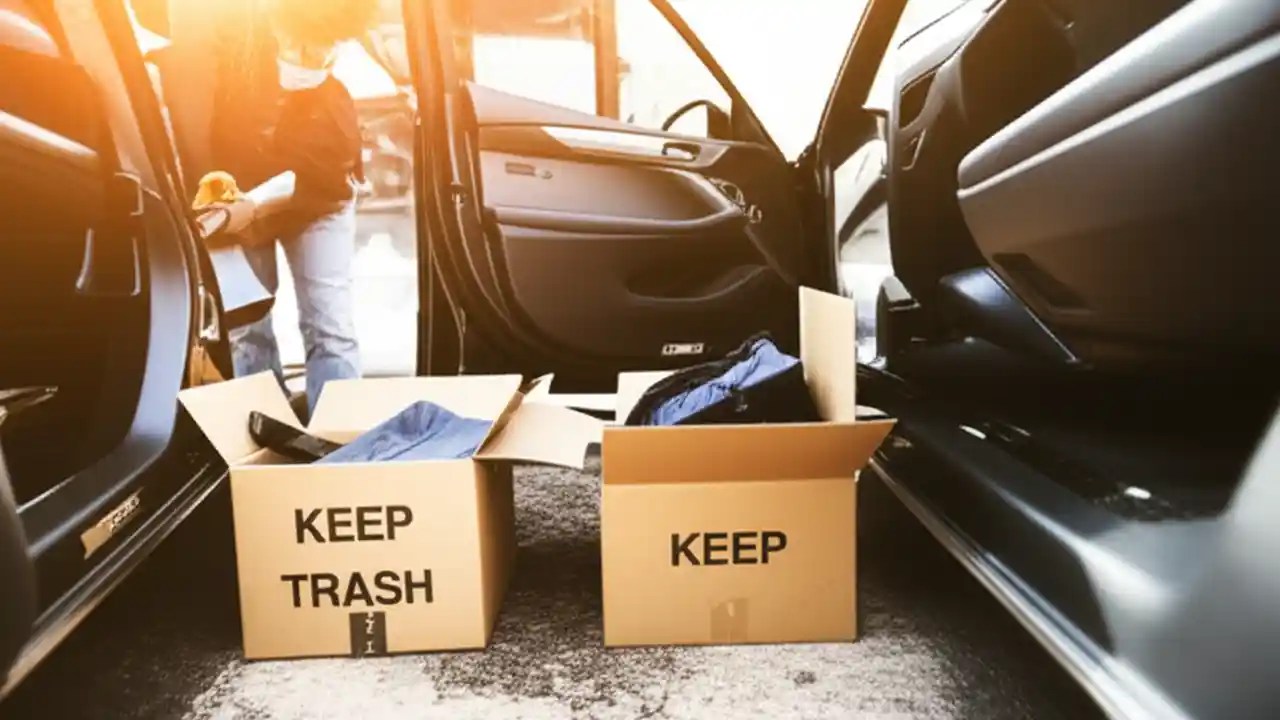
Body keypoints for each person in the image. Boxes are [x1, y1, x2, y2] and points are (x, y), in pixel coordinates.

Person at [209, 0, 376, 414]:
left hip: (316, 206)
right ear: (275, 27)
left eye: (322, 50)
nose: (310, 61)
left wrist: (256, 206)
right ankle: (265, 426)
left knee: (330, 324)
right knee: (247, 326)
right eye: (299, 47)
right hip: (235, 206)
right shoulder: (229, 74)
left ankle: (339, 433)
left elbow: (326, 189)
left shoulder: (335, 108)